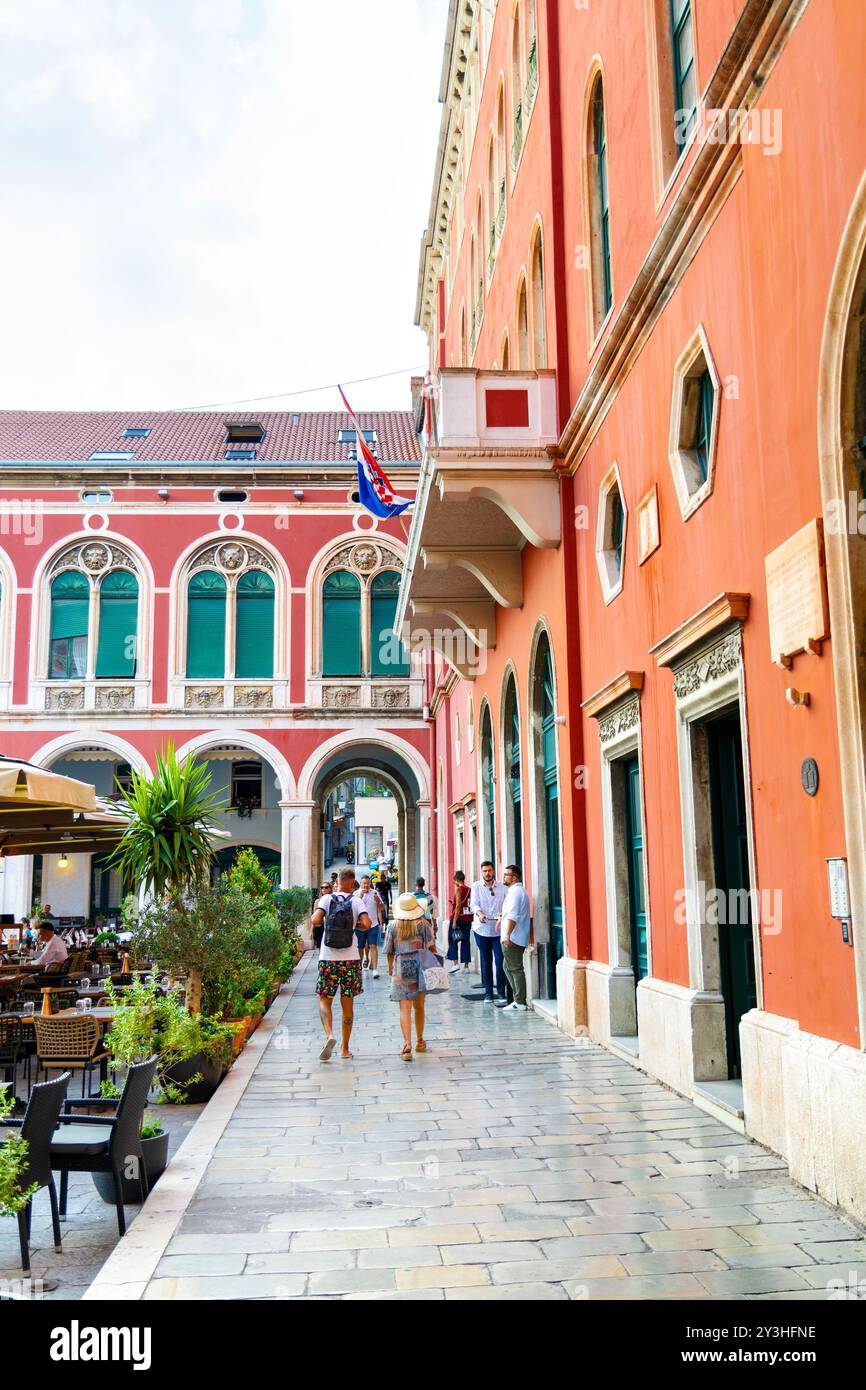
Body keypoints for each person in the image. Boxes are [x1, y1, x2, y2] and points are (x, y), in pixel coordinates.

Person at [309, 868, 372, 1062]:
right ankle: (345, 1049)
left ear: (338, 882)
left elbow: (315, 920)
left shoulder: (327, 899)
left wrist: (321, 921)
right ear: (352, 883)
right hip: (351, 960)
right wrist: (356, 926)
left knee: (324, 1000)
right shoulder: (356, 900)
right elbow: (367, 923)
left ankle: (330, 1035)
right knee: (348, 1005)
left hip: (328, 959)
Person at [384, 892, 437, 1061]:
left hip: (401, 966)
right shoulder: (423, 925)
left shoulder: (393, 926)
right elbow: (432, 948)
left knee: (404, 1008)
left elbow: (389, 950)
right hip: (420, 965)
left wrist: (390, 966)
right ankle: (420, 1041)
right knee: (419, 1006)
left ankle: (407, 1044)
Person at [469, 860, 507, 1003]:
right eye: (485, 871)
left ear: (493, 871)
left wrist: (502, 917)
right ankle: (488, 993)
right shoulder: (476, 886)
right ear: (481, 872)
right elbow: (473, 903)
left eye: (489, 870)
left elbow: (507, 906)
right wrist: (479, 914)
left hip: (498, 930)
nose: (487, 873)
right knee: (486, 962)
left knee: (500, 960)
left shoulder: (503, 888)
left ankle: (501, 992)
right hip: (482, 928)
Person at [496, 864, 531, 1011]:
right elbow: (509, 913)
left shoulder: (516, 893)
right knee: (507, 966)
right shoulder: (515, 892)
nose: (504, 877)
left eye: (506, 875)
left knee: (515, 968)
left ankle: (520, 1001)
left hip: (513, 938)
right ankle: (518, 999)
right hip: (514, 936)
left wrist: (507, 935)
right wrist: (500, 919)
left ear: (514, 877)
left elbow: (513, 916)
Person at [354, 873, 384, 978]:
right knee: (360, 947)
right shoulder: (355, 894)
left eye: (368, 883)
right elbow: (352, 909)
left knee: (373, 946)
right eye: (364, 883)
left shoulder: (375, 892)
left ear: (370, 883)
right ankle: (359, 968)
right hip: (360, 926)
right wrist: (360, 896)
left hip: (373, 924)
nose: (366, 885)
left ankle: (375, 969)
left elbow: (381, 908)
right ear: (361, 884)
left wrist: (379, 901)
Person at [447, 870, 473, 974]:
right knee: (466, 942)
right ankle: (466, 966)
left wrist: (454, 921)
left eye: (454, 881)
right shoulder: (470, 890)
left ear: (457, 880)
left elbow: (458, 906)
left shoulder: (459, 889)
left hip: (458, 919)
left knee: (453, 940)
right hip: (467, 918)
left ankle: (455, 964)